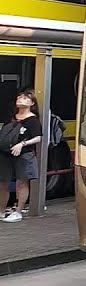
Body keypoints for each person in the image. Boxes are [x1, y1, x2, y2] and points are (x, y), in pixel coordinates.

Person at [1, 90, 43, 223]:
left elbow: (38, 137)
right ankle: (1, 211)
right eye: (19, 97)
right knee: (3, 182)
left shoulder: (33, 120)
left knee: (22, 181)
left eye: (25, 98)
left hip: (24, 154)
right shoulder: (12, 117)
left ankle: (18, 211)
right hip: (5, 153)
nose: (20, 99)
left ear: (32, 103)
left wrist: (22, 144)